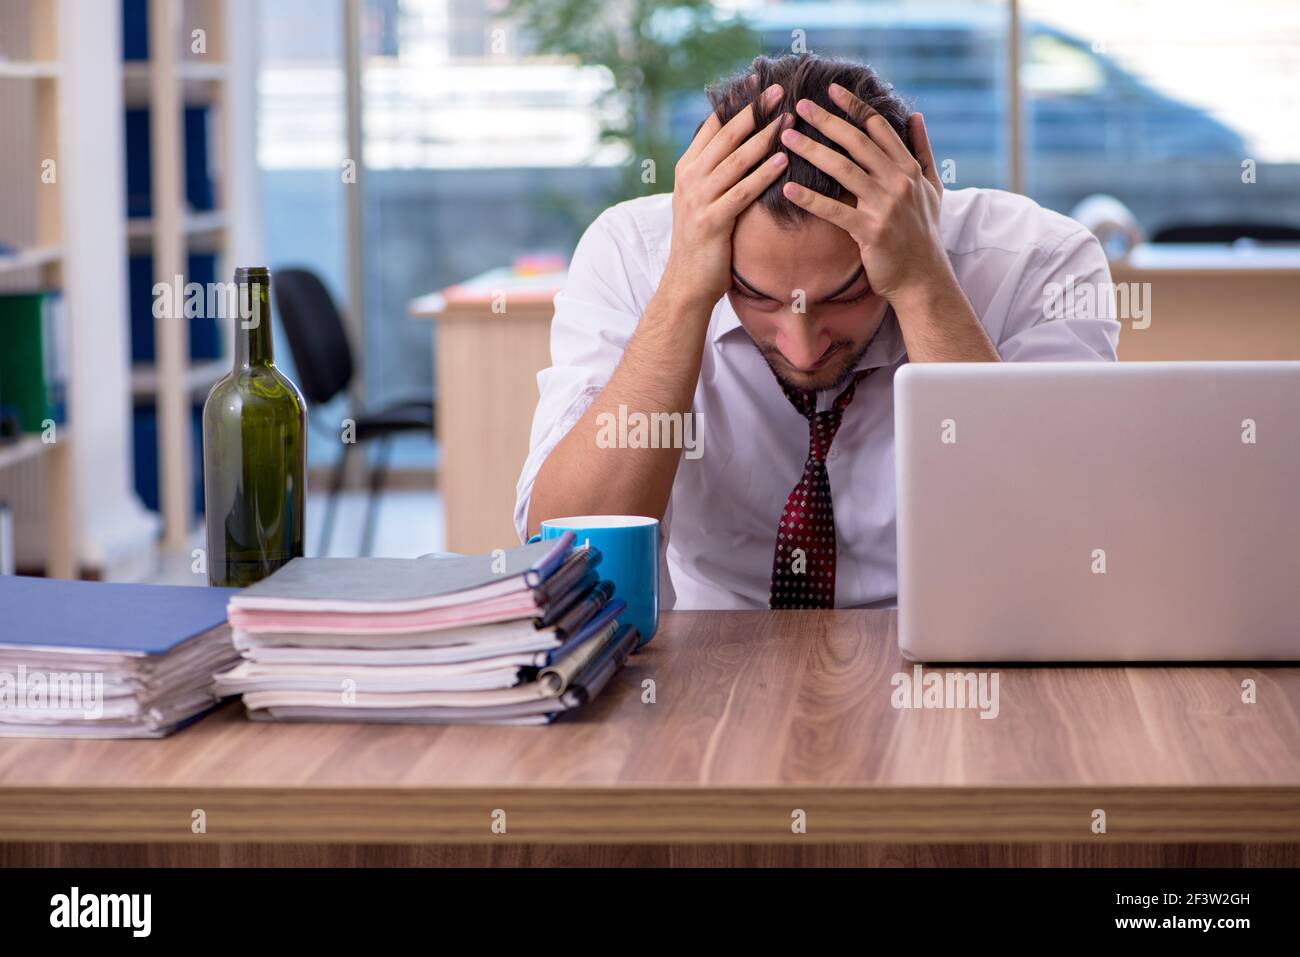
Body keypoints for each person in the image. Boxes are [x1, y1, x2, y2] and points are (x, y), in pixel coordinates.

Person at [516, 53, 1120, 610]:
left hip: (964, 650)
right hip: (715, 666)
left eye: (849, 293)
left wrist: (923, 284)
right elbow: (570, 553)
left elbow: (1060, 553)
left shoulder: (1041, 261)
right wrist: (681, 292)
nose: (802, 349)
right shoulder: (632, 255)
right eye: (755, 295)